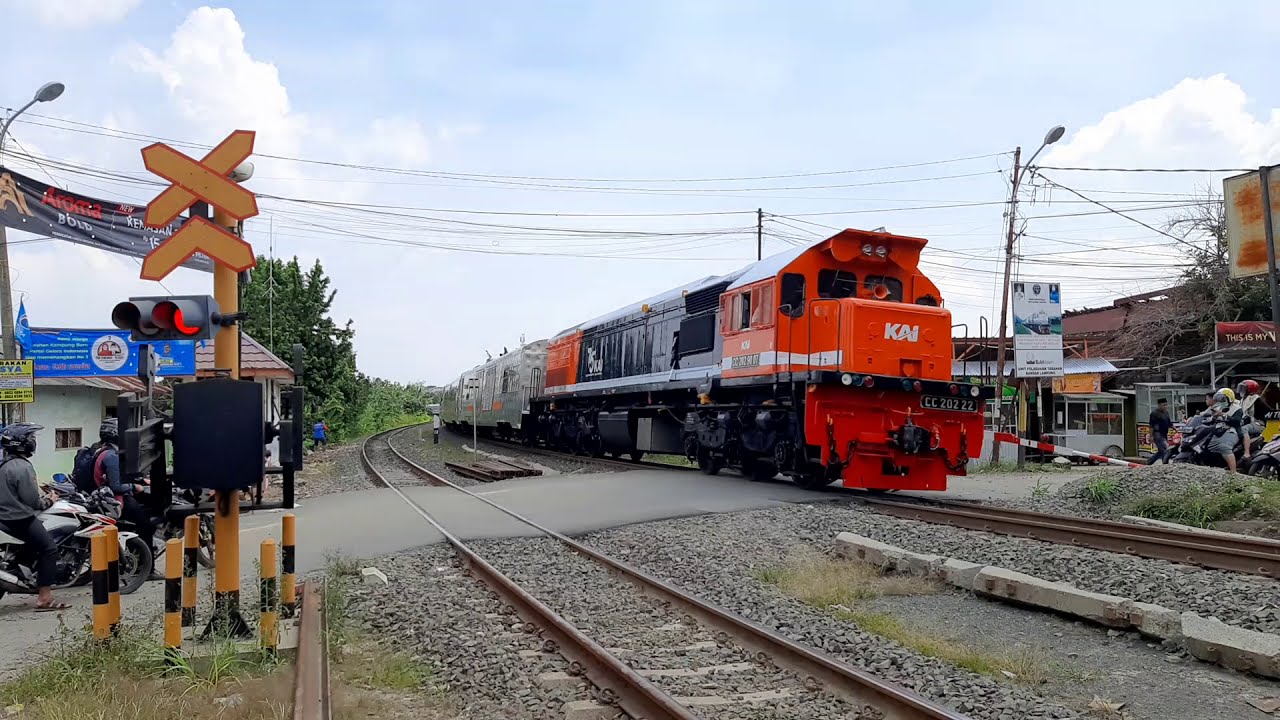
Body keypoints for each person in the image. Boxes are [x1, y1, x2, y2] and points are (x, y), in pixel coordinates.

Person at [0, 423, 69, 610]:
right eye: (30, 438)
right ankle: (44, 598)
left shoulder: (3, 462)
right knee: (50, 549)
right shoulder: (22, 467)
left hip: (3, 518)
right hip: (18, 518)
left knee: (34, 544)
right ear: (22, 443)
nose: (33, 442)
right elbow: (33, 501)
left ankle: (24, 573)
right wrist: (50, 499)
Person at [93, 418, 155, 551]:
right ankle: (147, 567)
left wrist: (141, 481)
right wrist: (134, 487)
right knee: (146, 526)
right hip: (116, 500)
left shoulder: (101, 450)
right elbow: (116, 486)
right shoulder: (112, 456)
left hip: (104, 498)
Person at [1208, 389, 1244, 472]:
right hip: (1219, 430)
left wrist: (1224, 415)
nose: (1220, 401)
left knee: (1224, 447)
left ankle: (1233, 472)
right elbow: (1209, 417)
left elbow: (1237, 421)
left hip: (1232, 431)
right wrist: (1214, 416)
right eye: (1219, 399)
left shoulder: (1237, 408)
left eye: (1223, 399)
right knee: (1208, 444)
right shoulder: (1218, 407)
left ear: (1229, 398)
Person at [1146, 398, 1173, 465]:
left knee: (1161, 451)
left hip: (1164, 434)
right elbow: (1151, 426)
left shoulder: (1166, 413)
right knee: (1165, 449)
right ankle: (1165, 464)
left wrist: (1175, 428)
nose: (1165, 406)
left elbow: (1169, 423)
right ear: (1159, 405)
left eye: (1166, 405)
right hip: (1157, 434)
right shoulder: (1154, 414)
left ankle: (1149, 462)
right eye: (1164, 405)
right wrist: (1151, 436)